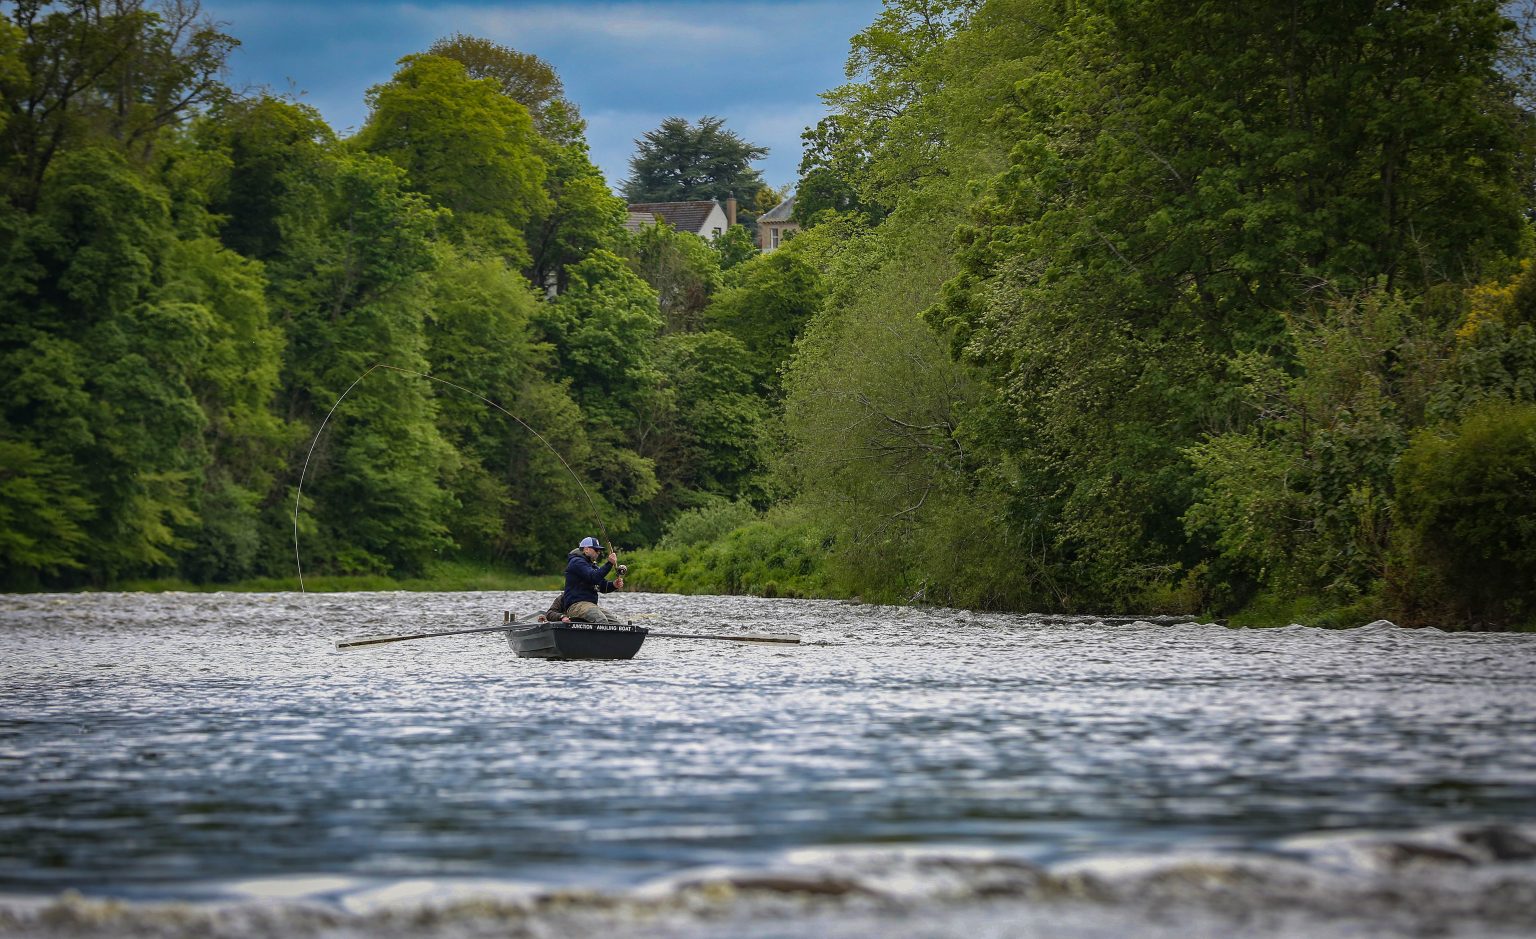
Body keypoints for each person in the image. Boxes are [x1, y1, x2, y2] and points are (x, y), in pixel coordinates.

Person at [559, 536, 625, 625]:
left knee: (617, 625)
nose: (598, 552)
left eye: (599, 550)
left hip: (590, 606)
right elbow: (593, 577)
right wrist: (609, 563)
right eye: (596, 550)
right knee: (601, 621)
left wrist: (614, 585)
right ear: (586, 550)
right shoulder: (576, 562)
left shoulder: (592, 566)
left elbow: (602, 586)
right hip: (576, 606)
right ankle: (599, 639)